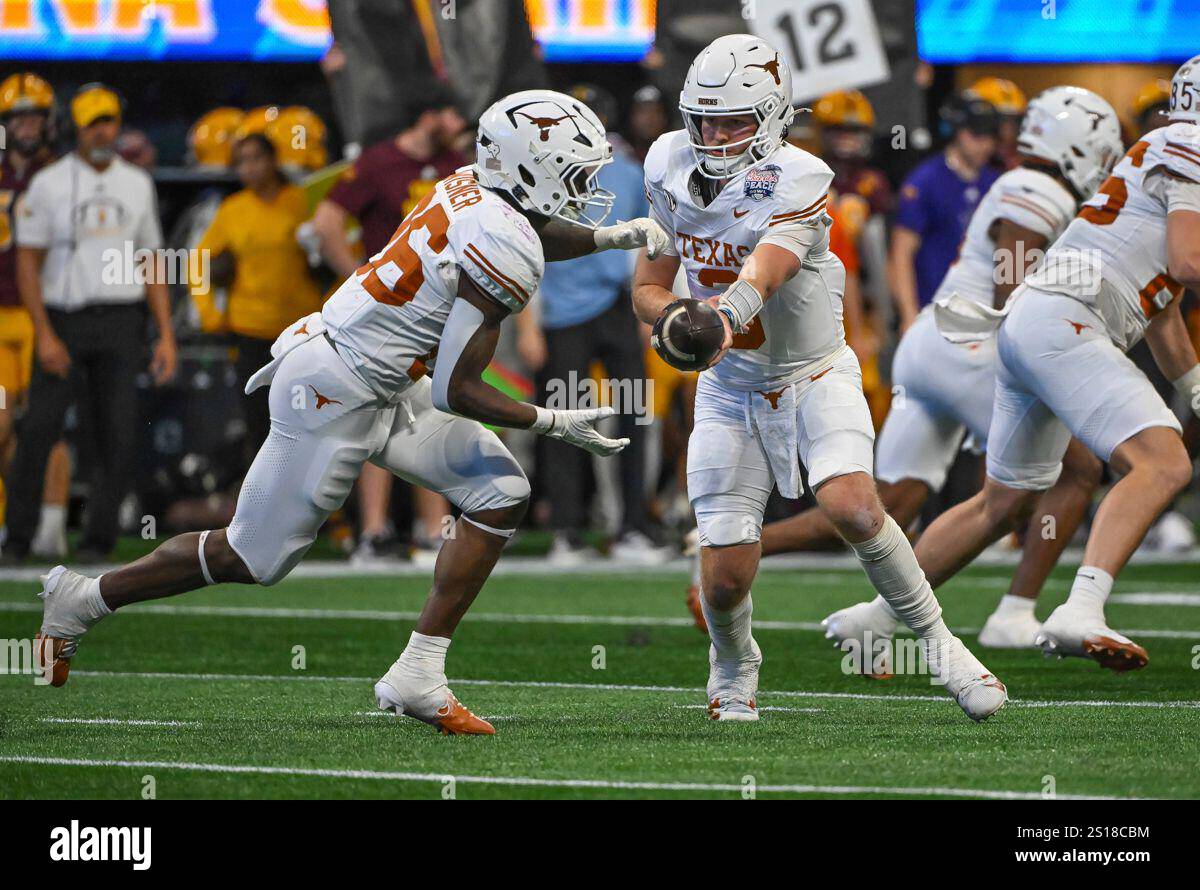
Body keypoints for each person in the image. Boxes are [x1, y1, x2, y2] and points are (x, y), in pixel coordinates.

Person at [32, 89, 670, 735]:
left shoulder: (473, 182)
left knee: (499, 490)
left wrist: (608, 237)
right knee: (252, 558)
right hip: (336, 385)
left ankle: (418, 673)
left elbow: (527, 223)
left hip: (384, 377)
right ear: (529, 165)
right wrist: (555, 422)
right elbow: (457, 389)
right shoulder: (502, 246)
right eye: (575, 171)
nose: (587, 184)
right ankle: (83, 598)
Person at [635, 34, 1007, 723]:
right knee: (722, 576)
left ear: (773, 117)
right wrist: (672, 318)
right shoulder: (666, 163)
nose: (714, 135)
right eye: (705, 118)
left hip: (814, 372)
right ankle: (734, 664)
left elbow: (765, 270)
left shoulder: (799, 173)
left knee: (855, 508)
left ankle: (943, 648)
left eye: (734, 120)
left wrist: (715, 318)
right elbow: (649, 286)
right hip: (730, 385)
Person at [876, 56, 1200, 673]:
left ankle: (884, 611)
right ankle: (1078, 607)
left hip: (1034, 323)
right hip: (1058, 324)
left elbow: (1164, 303)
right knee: (1161, 460)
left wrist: (1194, 386)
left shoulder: (1165, 148)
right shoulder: (1188, 147)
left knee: (1001, 500)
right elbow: (1188, 262)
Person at [819, 88, 1120, 662]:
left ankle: (886, 613)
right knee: (1070, 470)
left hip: (944, 341)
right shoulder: (1037, 190)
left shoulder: (1021, 183)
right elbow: (1014, 295)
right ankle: (1007, 610)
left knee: (915, 497)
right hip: (974, 344)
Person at [4, 84, 176, 564]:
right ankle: (16, 537)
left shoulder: (137, 183)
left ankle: (97, 540)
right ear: (76, 129)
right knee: (39, 429)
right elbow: (27, 264)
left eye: (110, 121)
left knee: (117, 434)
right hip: (65, 318)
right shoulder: (50, 182)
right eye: (94, 123)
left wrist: (164, 334)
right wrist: (43, 332)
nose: (104, 131)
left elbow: (153, 261)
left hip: (121, 318)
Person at [312, 87, 465, 563]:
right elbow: (326, 221)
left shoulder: (455, 164)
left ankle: (432, 531)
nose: (459, 125)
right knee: (376, 415)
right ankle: (375, 532)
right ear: (426, 114)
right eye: (451, 112)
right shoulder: (379, 163)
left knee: (435, 414)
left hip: (441, 312)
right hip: (388, 315)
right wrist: (359, 278)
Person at [523, 84, 666, 564]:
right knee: (562, 422)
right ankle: (567, 530)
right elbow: (529, 252)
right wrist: (529, 321)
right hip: (563, 314)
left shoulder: (628, 173)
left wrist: (648, 308)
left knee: (633, 418)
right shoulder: (543, 176)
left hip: (617, 308)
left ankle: (631, 527)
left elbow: (652, 241)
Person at [191, 132, 324, 469]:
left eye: (256, 158)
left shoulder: (302, 202)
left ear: (273, 160)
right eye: (241, 162)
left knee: (311, 420)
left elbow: (339, 249)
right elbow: (198, 262)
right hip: (250, 331)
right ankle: (264, 511)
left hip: (300, 333)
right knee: (259, 424)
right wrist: (209, 313)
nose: (249, 168)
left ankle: (328, 515)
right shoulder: (233, 210)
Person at [0, 72, 71, 559]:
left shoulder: (67, 176)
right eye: (17, 116)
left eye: (34, 116)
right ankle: (13, 520)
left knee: (49, 427)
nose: (27, 125)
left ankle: (50, 525)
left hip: (48, 314)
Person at [890, 94, 1001, 331]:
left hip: (983, 313)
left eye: (991, 136)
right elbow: (901, 253)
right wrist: (908, 314)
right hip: (933, 314)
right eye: (977, 134)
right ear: (958, 131)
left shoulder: (997, 183)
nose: (986, 145)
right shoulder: (924, 181)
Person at [966, 77, 1027, 170]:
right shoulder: (954, 167)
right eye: (998, 122)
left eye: (1014, 122)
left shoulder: (1021, 163)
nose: (1007, 133)